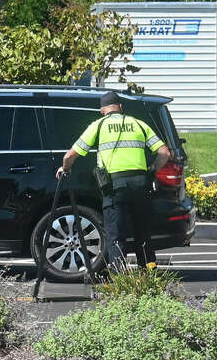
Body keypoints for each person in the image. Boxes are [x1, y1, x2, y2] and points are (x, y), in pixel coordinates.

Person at [58, 90, 169, 269]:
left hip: (114, 187)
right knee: (143, 233)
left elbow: (70, 156)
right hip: (141, 184)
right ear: (121, 107)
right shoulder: (138, 124)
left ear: (102, 110)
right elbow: (164, 153)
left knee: (115, 234)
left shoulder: (98, 126)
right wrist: (152, 170)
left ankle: (120, 277)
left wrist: (65, 168)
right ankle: (149, 274)